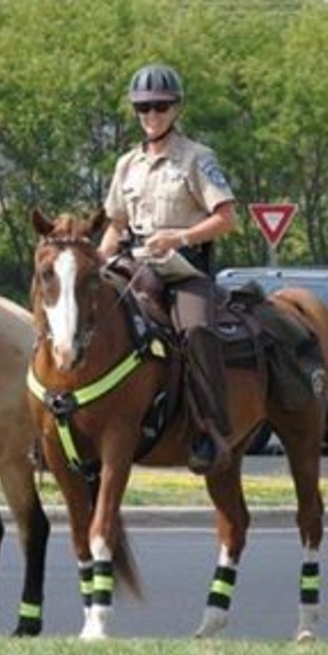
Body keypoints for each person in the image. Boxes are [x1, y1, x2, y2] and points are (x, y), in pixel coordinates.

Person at [98, 64, 239, 475]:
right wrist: (99, 263)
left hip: (183, 270)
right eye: (143, 108)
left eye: (160, 106)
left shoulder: (198, 158)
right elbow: (116, 224)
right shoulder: (127, 164)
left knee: (196, 331)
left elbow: (226, 217)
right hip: (133, 266)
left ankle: (210, 429)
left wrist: (176, 239)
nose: (151, 115)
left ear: (176, 108)